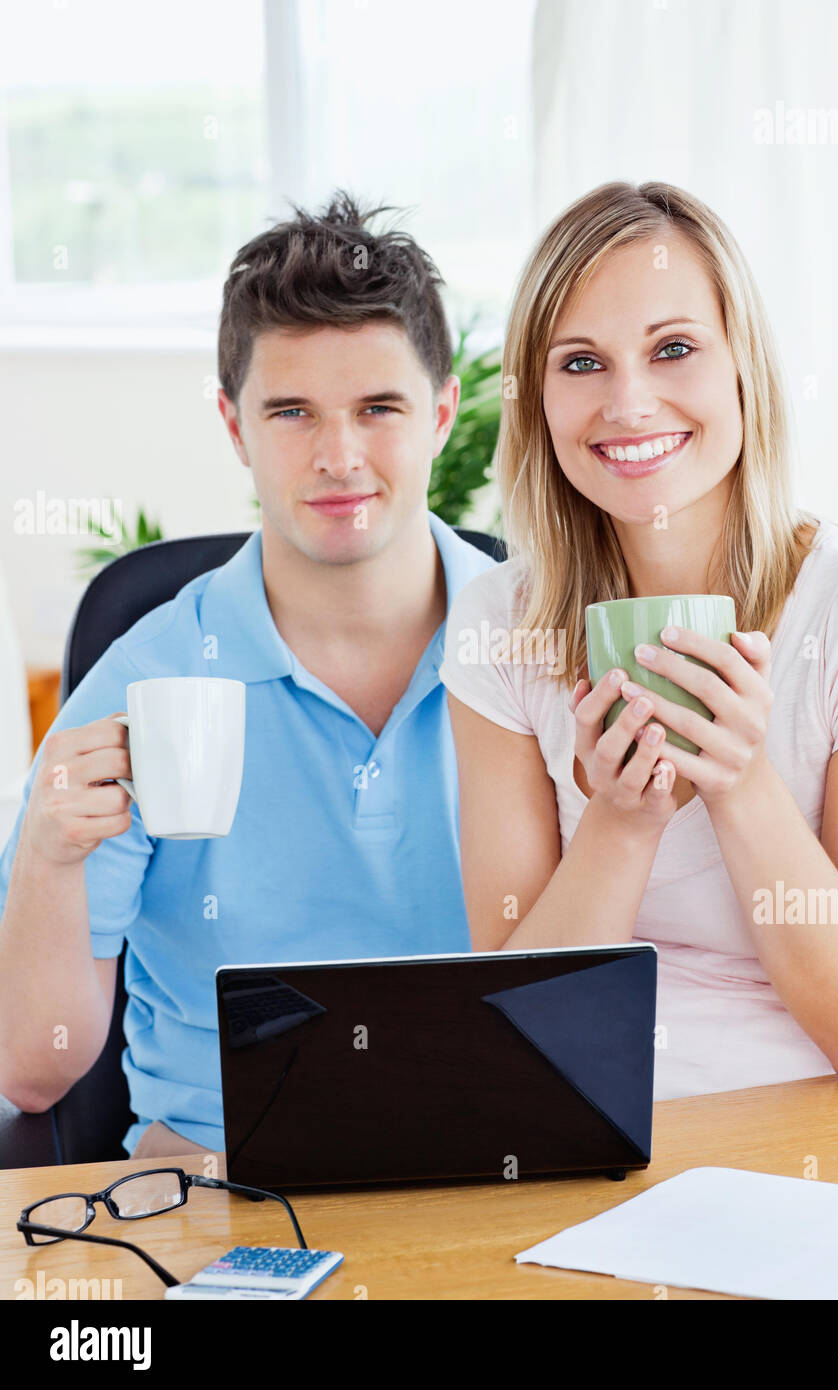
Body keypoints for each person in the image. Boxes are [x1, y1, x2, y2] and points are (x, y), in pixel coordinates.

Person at [439, 180, 838, 1100]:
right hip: (580, 1113)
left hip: (811, 1122)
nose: (629, 403)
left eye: (673, 349)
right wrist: (620, 821)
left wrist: (739, 783)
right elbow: (519, 1020)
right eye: (580, 363)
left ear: (742, 369)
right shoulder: (502, 625)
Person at [0, 191, 497, 1157]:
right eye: (293, 412)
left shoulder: (542, 651)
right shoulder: (143, 680)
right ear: (235, 428)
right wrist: (54, 861)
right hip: (217, 1179)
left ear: (440, 414)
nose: (339, 455)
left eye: (378, 408)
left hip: (492, 1158)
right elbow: (31, 1069)